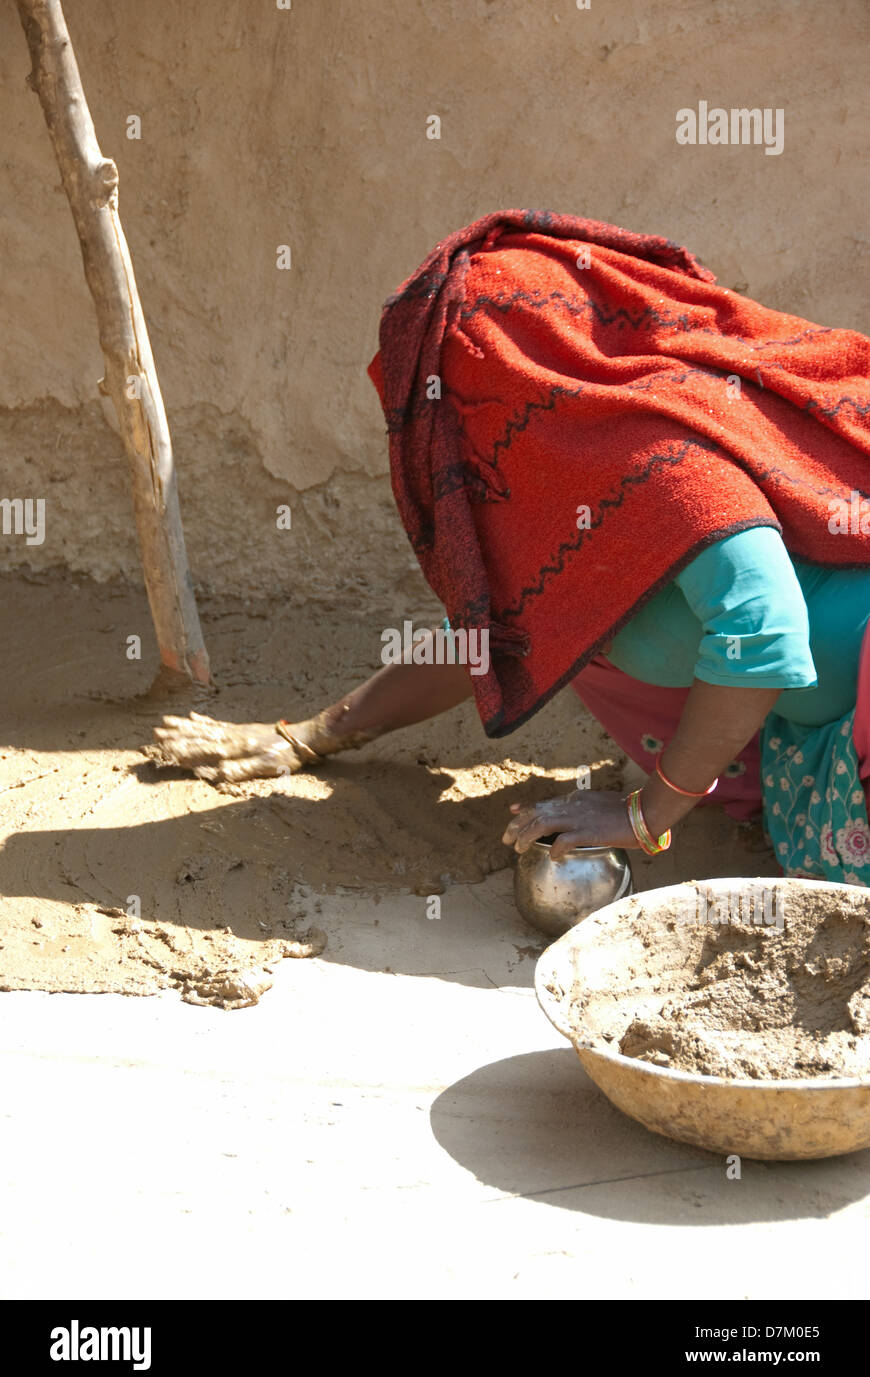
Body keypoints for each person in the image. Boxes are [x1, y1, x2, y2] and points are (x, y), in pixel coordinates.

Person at [154, 210, 870, 884]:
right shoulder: (557, 483)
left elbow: (764, 630)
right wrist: (311, 737)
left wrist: (645, 815)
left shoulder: (664, 459)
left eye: (456, 396)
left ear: (522, 379)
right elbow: (493, 636)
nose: (439, 434)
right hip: (820, 745)